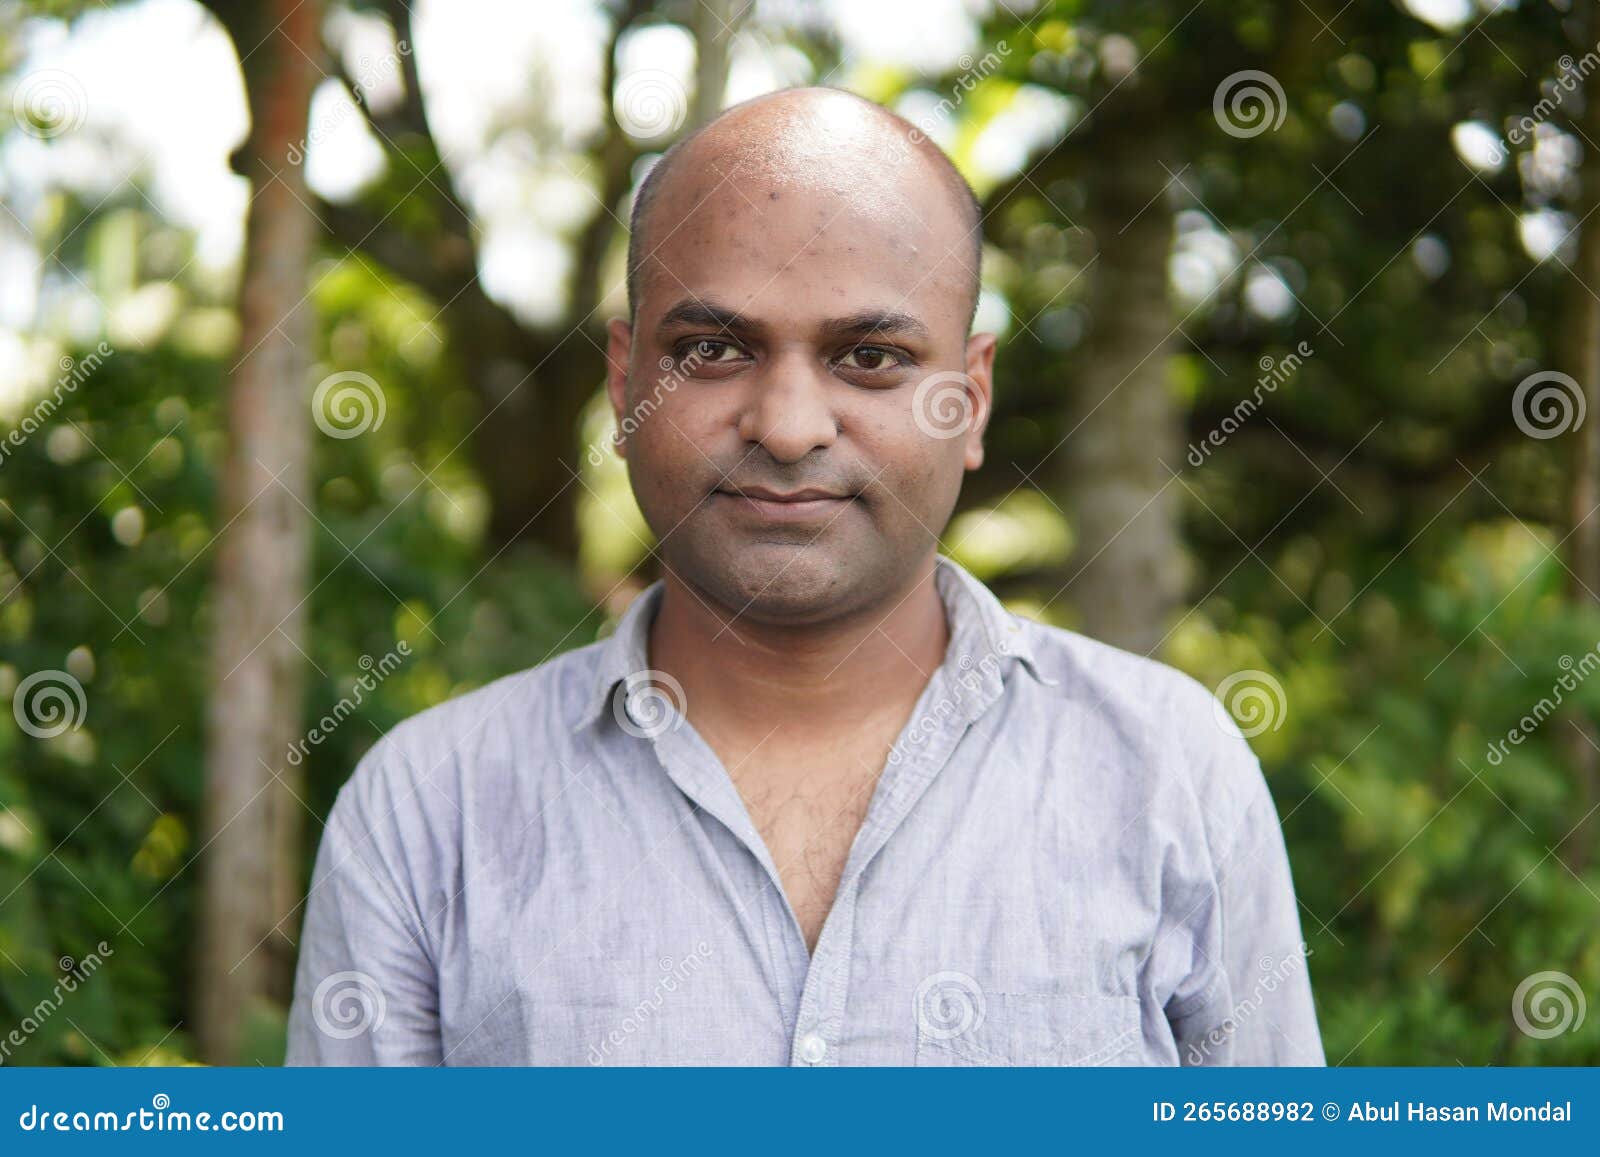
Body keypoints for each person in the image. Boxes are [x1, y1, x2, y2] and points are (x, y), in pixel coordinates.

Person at [286, 86, 1322, 1066]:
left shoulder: (1171, 776)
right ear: (623, 378)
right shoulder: (429, 814)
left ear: (968, 396)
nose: (786, 428)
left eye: (869, 357)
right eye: (712, 348)